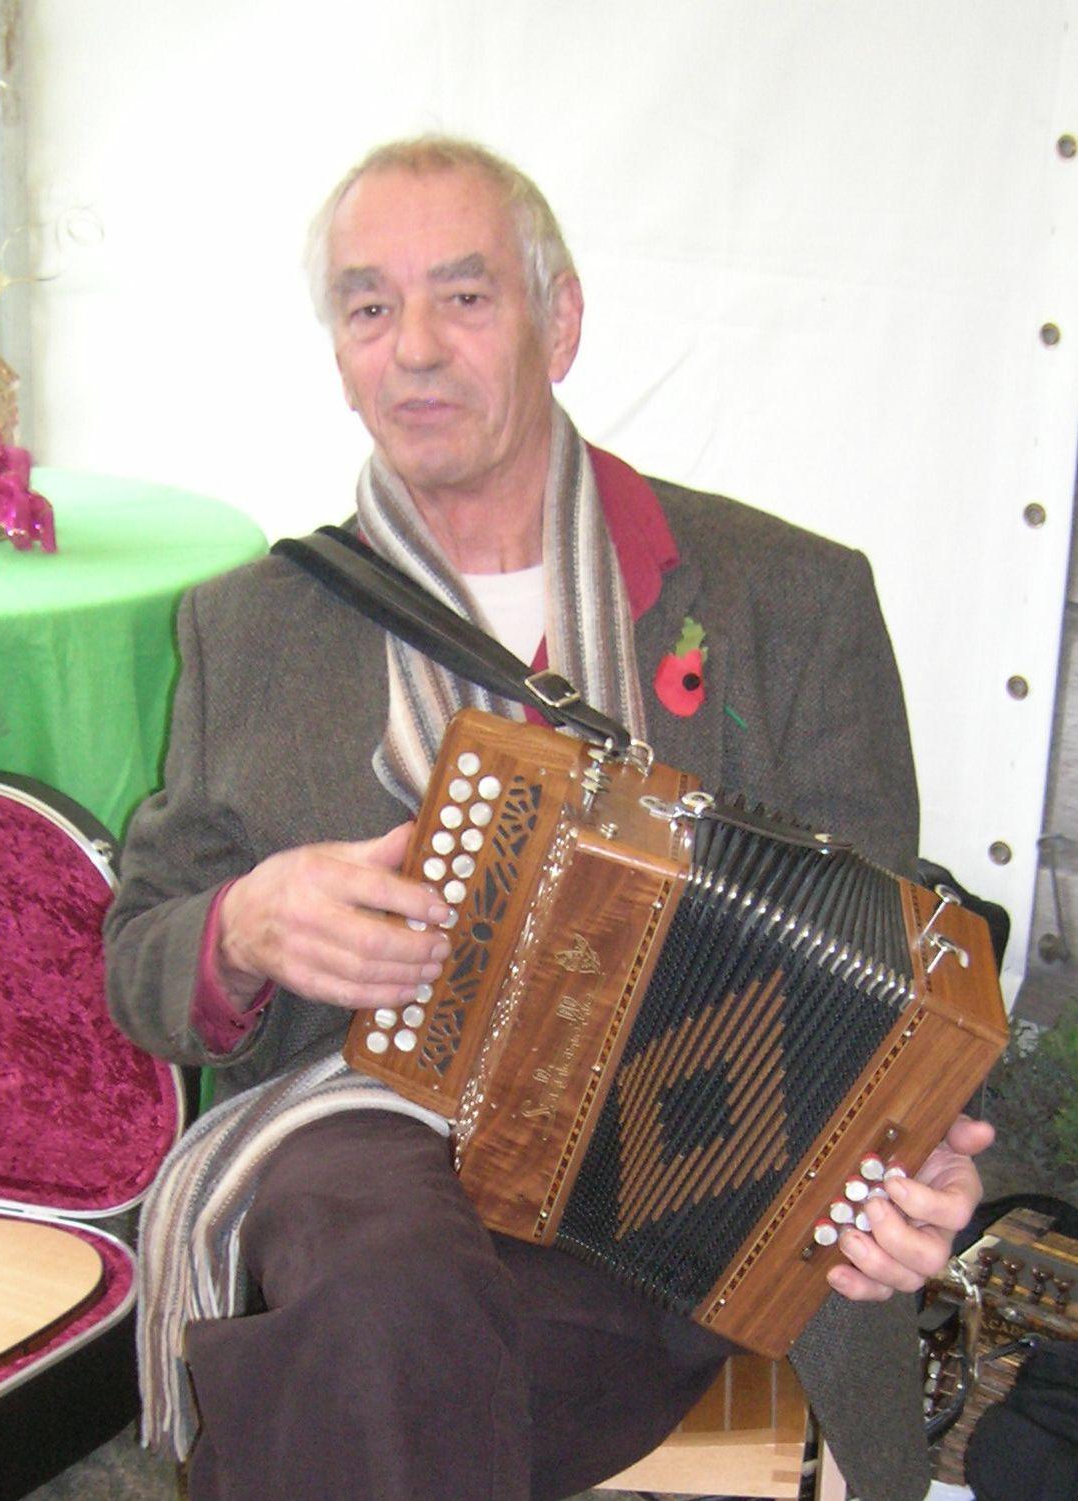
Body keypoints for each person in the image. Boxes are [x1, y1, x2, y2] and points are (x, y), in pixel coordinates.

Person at [105, 136, 993, 1501]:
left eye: (463, 297)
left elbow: (888, 957)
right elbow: (143, 951)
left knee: (365, 1352)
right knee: (383, 1286)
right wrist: (244, 925)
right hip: (363, 1127)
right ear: (336, 349)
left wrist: (914, 1149)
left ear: (557, 319)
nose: (409, 349)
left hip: (681, 1163)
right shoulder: (250, 624)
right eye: (366, 306)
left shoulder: (785, 596)